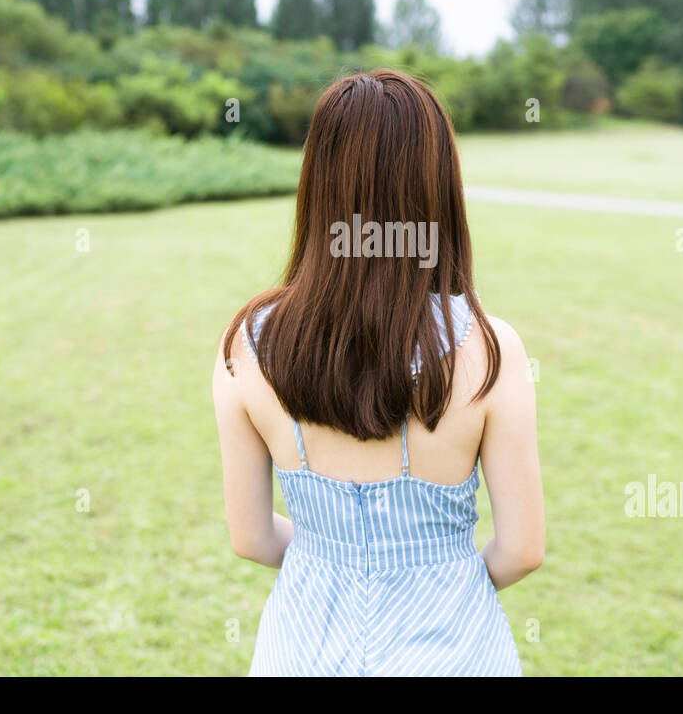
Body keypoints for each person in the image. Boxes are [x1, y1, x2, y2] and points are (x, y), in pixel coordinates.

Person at [213, 69, 544, 676]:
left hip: (301, 654)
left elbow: (251, 539)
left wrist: (331, 562)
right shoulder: (492, 348)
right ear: (437, 186)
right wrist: (437, 578)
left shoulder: (247, 345)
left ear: (318, 185)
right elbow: (522, 549)